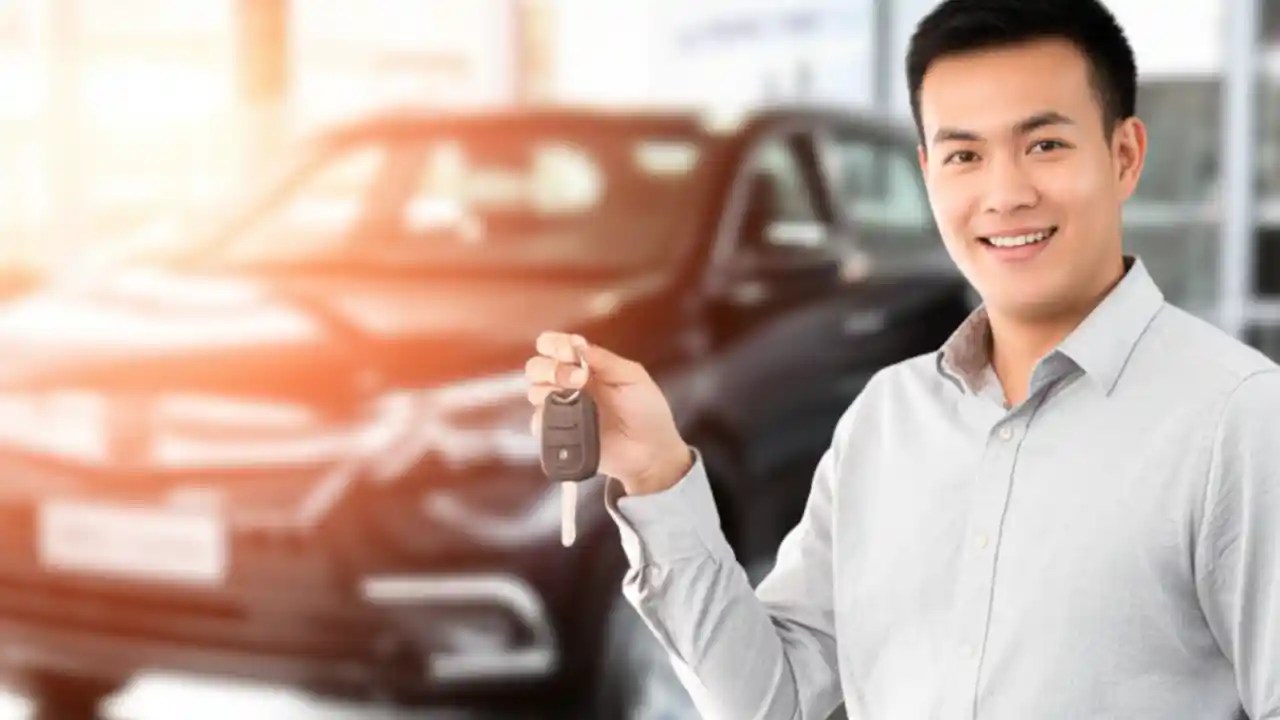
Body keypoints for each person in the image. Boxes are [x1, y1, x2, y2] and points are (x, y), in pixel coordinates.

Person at [524, 0, 1280, 717]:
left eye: (1044, 145)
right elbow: (771, 701)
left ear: (1124, 156)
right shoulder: (885, 420)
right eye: (964, 155)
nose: (1005, 193)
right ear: (927, 173)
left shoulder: (1239, 418)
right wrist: (656, 476)